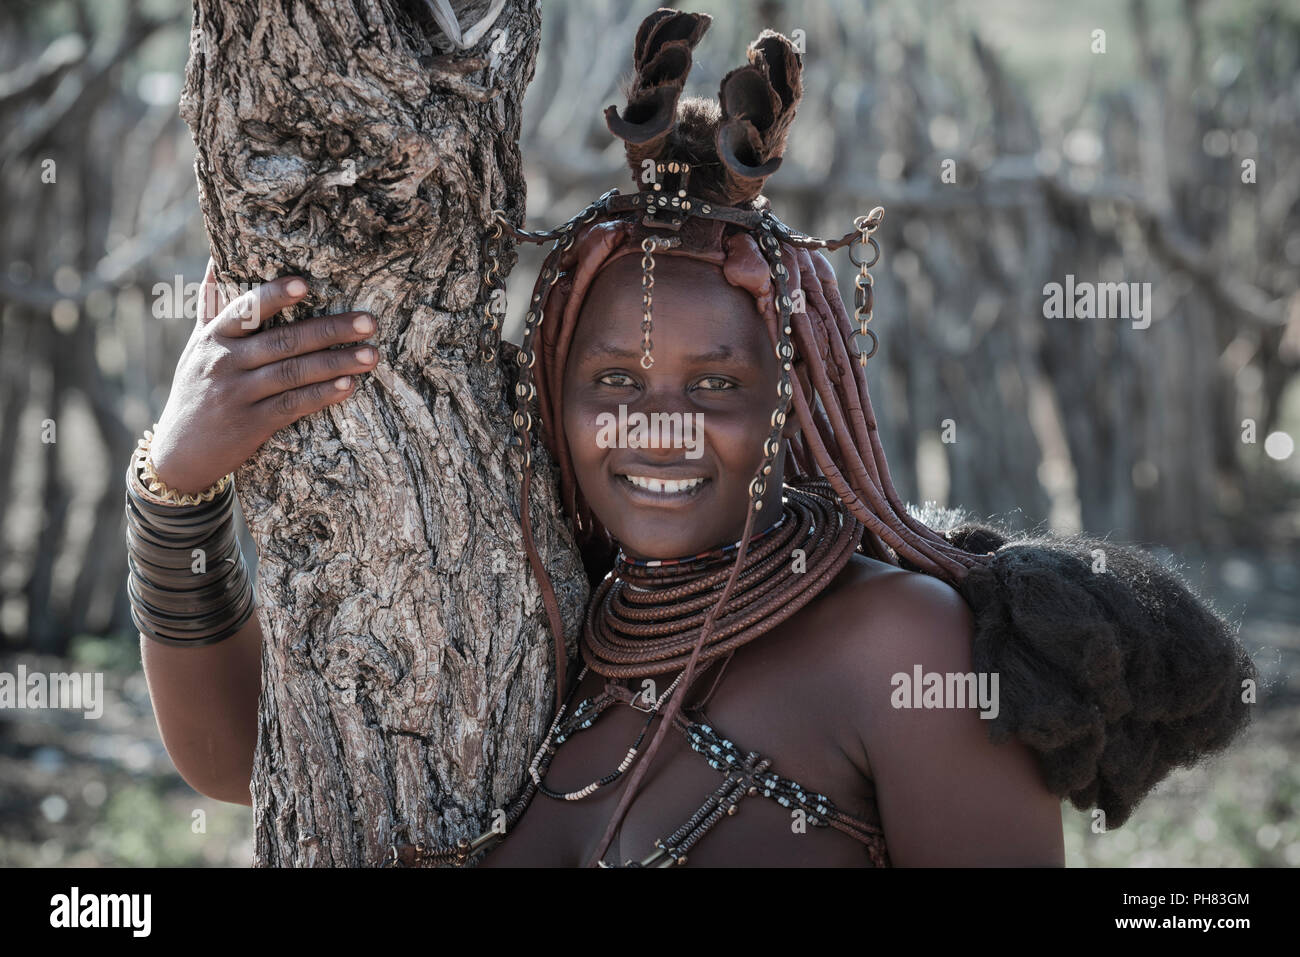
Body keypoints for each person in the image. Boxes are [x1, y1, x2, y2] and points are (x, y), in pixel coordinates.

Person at [129, 8, 1255, 867]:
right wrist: (175, 490)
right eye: (611, 376)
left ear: (795, 394)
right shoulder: (549, 620)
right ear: (546, 398)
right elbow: (244, 758)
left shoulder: (900, 651)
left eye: (715, 380)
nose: (656, 420)